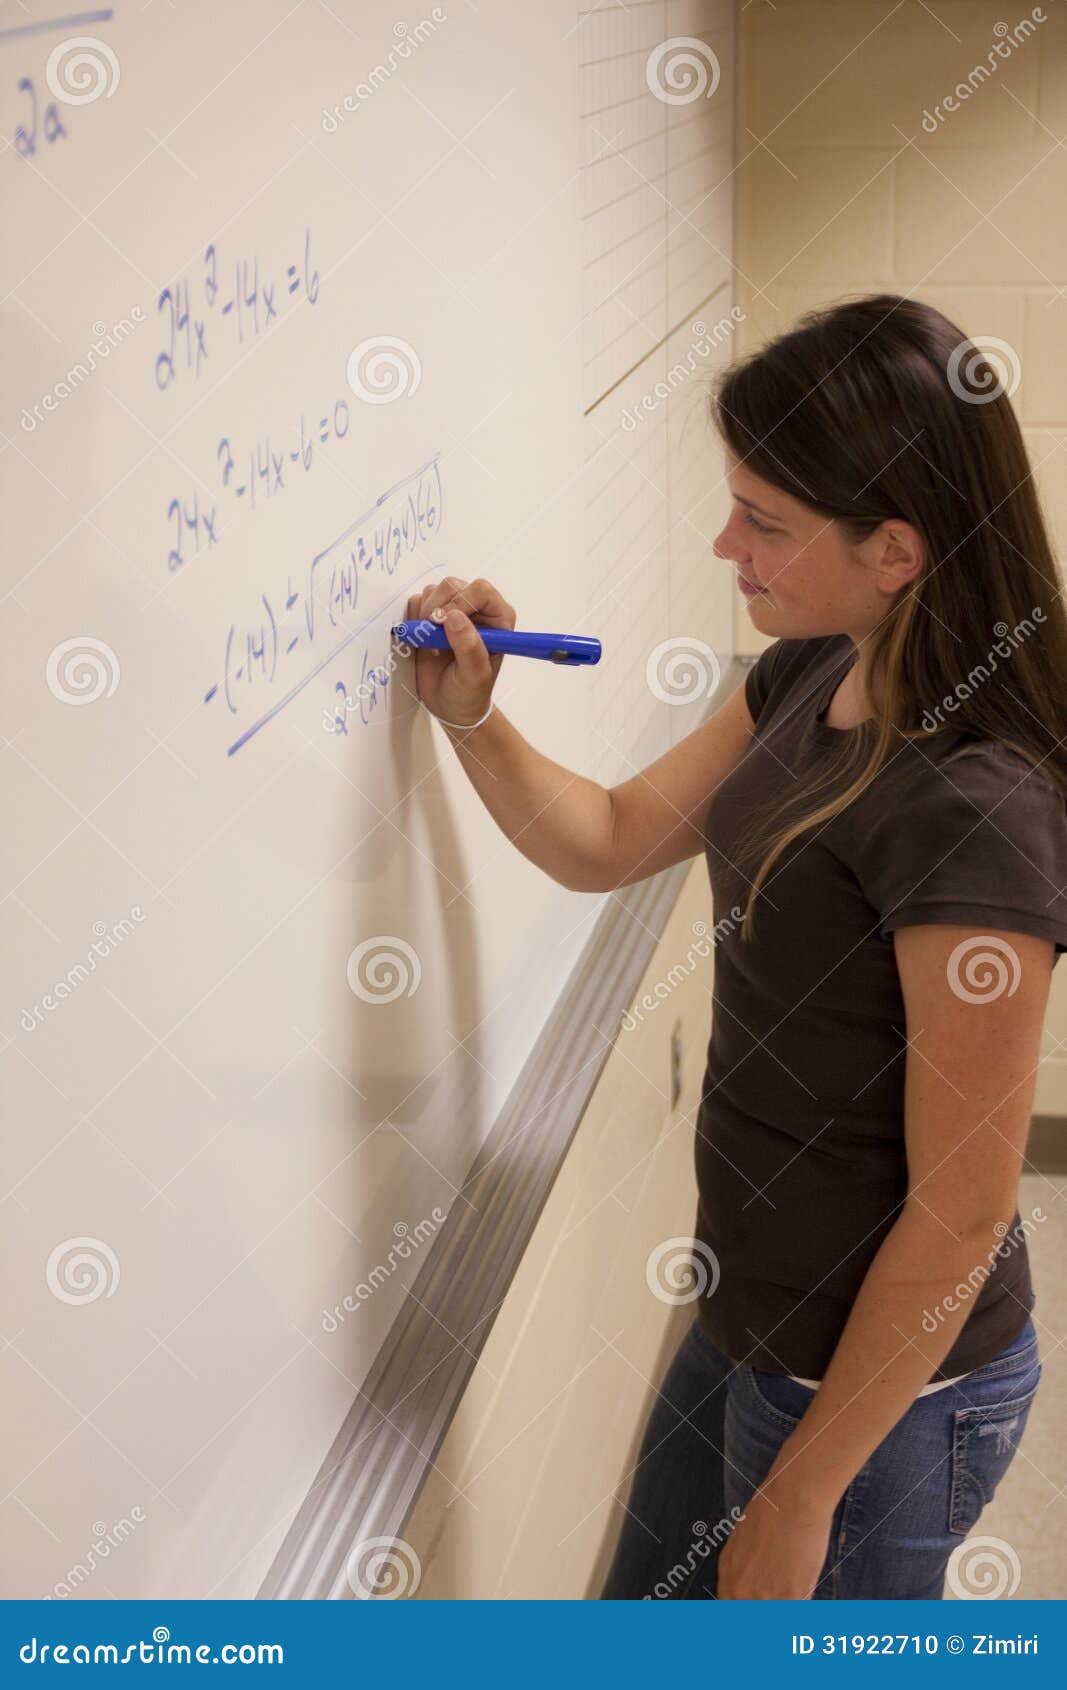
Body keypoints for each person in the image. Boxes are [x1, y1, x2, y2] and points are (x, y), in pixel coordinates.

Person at [397, 293, 1067, 1599]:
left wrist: (808, 1486)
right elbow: (609, 835)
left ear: (897, 550)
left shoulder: (972, 813)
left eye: (764, 522)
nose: (725, 545)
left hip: (882, 1396)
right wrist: (476, 719)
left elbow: (967, 1203)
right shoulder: (816, 666)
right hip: (750, 1323)